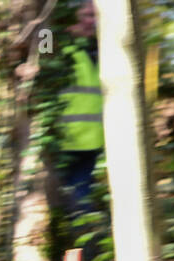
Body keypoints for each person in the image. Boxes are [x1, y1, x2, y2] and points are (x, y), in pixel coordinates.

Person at [59, 1, 104, 221]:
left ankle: (83, 243)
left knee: (82, 196)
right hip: (65, 141)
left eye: (95, 16)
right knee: (69, 198)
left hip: (91, 141)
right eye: (87, 15)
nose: (92, 21)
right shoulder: (62, 49)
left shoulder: (101, 50)